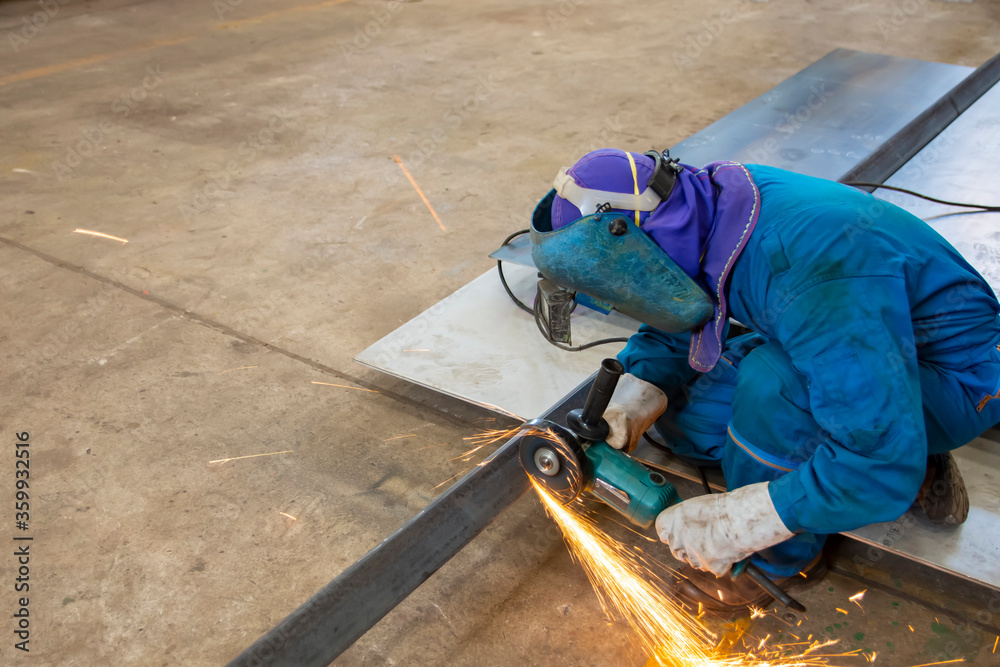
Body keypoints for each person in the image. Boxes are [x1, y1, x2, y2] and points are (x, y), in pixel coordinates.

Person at [527, 148, 1000, 616]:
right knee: (685, 419)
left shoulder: (806, 267)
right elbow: (682, 304)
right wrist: (634, 398)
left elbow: (878, 463)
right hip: (864, 349)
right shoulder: (702, 208)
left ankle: (780, 560)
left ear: (629, 234)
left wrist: (741, 525)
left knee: (772, 387)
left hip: (952, 377)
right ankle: (881, 438)